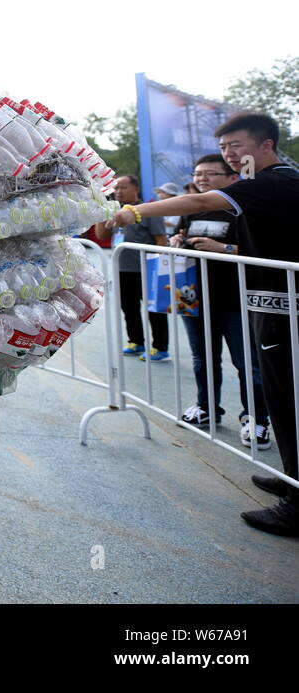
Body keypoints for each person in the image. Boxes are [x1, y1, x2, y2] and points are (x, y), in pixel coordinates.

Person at [108, 112, 299, 536]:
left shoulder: (275, 182)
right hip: (269, 303)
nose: (230, 155)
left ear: (266, 146)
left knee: (288, 399)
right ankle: (292, 477)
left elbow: (196, 202)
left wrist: (134, 211)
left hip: (284, 307)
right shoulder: (269, 182)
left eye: (238, 146)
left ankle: (297, 501)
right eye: (225, 147)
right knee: (282, 395)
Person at [169, 154, 270, 447]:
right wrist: (178, 241)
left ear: (232, 179)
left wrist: (222, 247)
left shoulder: (244, 212)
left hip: (234, 300)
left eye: (210, 174)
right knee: (202, 359)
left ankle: (256, 418)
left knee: (247, 363)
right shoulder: (190, 211)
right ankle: (206, 408)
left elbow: (261, 253)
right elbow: (181, 237)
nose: (201, 179)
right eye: (198, 174)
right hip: (193, 297)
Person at [95, 174, 170, 360]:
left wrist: (159, 269)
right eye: (116, 188)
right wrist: (101, 213)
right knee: (129, 308)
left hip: (147, 270)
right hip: (122, 269)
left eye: (123, 187)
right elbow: (101, 235)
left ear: (136, 188)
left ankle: (160, 348)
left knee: (154, 309)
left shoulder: (148, 211)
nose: (118, 191)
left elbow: (161, 241)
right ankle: (136, 342)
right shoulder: (114, 210)